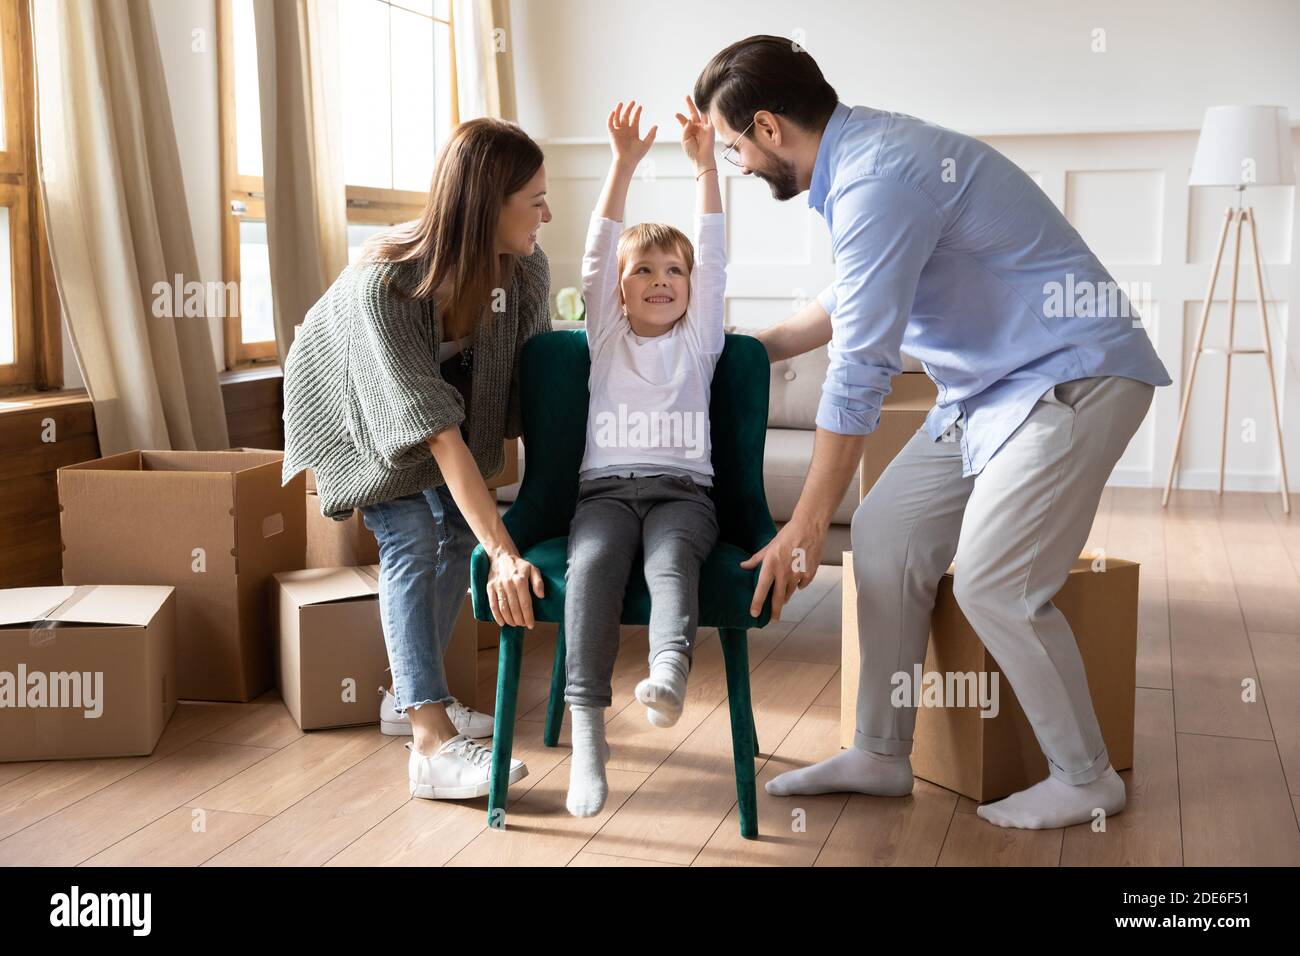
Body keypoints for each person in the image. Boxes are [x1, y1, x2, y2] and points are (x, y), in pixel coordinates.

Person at [693, 36, 1172, 829]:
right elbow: (848, 297)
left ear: (770, 128)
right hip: (988, 389)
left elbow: (859, 374)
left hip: (1075, 375)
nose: (738, 165)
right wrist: (752, 347)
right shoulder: (863, 158)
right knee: (882, 531)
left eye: (734, 146)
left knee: (995, 581)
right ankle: (881, 753)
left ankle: (1087, 777)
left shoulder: (877, 178)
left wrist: (806, 524)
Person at [281, 118, 553, 801]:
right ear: (490, 202)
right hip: (347, 398)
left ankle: (405, 696)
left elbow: (532, 387)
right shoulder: (388, 284)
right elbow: (437, 435)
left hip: (431, 408)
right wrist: (506, 552)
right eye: (535, 200)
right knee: (412, 535)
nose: (548, 213)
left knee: (458, 531)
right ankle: (428, 740)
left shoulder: (524, 271)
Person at [562, 98, 726, 817]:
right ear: (617, 294)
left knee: (669, 565)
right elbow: (597, 254)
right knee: (591, 569)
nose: (661, 280)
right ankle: (589, 744)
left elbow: (715, 251)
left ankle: (668, 672)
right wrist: (622, 165)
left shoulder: (699, 341)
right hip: (603, 493)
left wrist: (705, 168)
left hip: (682, 495)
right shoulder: (604, 338)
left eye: (674, 271)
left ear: (691, 290)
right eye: (644, 272)